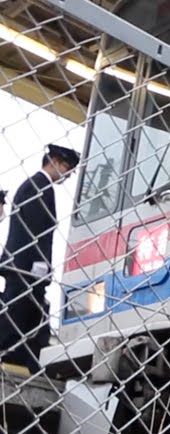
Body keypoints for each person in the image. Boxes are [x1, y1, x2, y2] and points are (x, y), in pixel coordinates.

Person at [0, 144, 79, 374]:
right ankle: (22, 359)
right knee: (20, 313)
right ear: (53, 161)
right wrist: (40, 264)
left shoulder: (37, 186)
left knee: (30, 315)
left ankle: (28, 362)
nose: (67, 174)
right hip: (27, 266)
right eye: (66, 167)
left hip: (25, 265)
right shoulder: (39, 186)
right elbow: (35, 230)